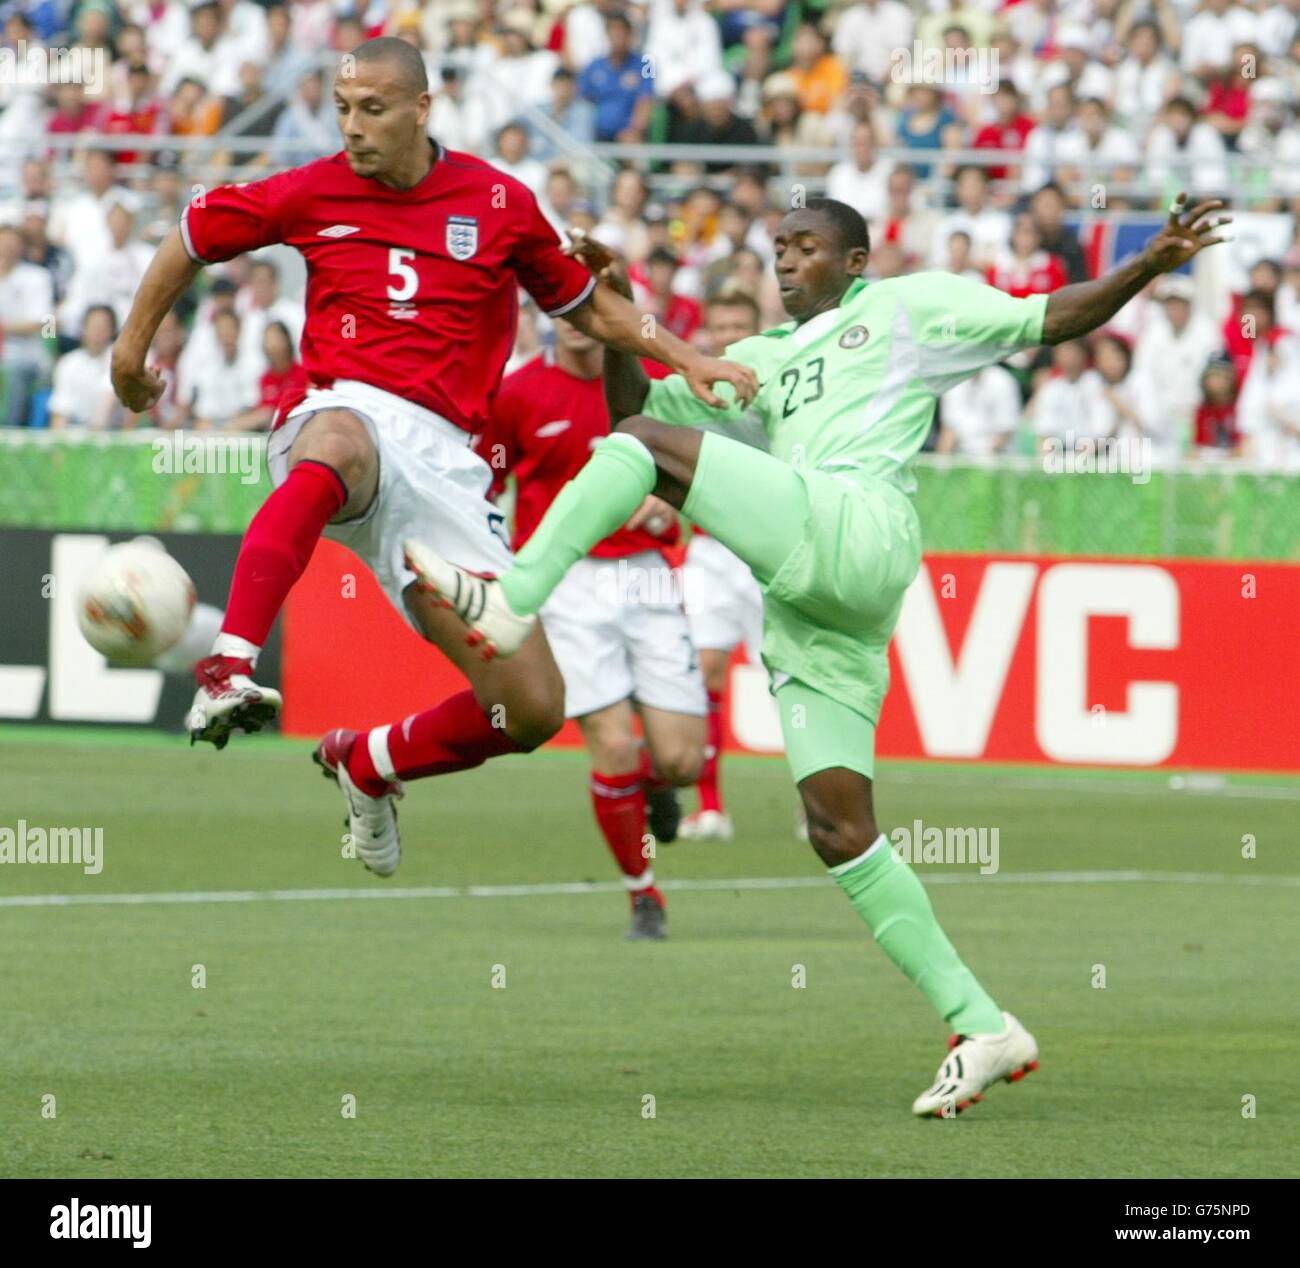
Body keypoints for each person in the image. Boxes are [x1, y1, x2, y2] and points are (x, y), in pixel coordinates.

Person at [403, 193, 1230, 1116]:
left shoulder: (907, 309)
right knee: (839, 828)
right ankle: (982, 1024)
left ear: (857, 259)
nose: (786, 262)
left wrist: (1148, 265)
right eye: (777, 249)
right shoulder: (753, 362)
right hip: (813, 600)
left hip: (857, 527)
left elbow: (1051, 316)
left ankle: (513, 606)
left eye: (806, 248)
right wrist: (624, 298)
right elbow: (636, 413)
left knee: (642, 452)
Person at [110, 37, 755, 878]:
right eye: (343, 109)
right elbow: (193, 234)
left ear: (421, 109)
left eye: (372, 109)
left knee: (528, 709)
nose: (352, 128)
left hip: (447, 465)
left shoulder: (497, 201)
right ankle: (229, 664)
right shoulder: (312, 189)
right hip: (342, 414)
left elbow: (590, 308)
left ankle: (370, 762)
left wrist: (692, 358)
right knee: (340, 437)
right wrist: (130, 352)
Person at [477, 317, 706, 939]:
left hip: (647, 575)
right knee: (612, 746)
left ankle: (656, 785)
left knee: (683, 760)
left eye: (585, 309)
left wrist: (672, 498)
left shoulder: (650, 384)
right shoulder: (519, 392)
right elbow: (483, 487)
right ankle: (644, 896)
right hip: (569, 583)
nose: (574, 325)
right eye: (561, 308)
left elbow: (700, 470)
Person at [677, 291, 766, 842]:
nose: (729, 334)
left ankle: (819, 808)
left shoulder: (780, 386)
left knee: (793, 680)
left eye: (740, 324)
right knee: (704, 670)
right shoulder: (689, 392)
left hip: (771, 551)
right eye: (721, 324)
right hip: (711, 551)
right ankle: (710, 807)